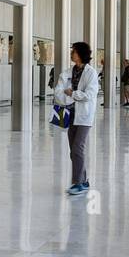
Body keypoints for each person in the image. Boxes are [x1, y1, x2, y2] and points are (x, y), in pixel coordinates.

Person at [53, 42, 99, 195]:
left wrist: (72, 94)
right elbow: (58, 92)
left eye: (74, 51)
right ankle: (84, 181)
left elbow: (89, 95)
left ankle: (78, 183)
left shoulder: (91, 73)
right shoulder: (67, 72)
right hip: (69, 114)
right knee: (73, 150)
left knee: (78, 147)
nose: (71, 54)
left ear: (81, 54)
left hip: (85, 116)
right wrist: (70, 96)